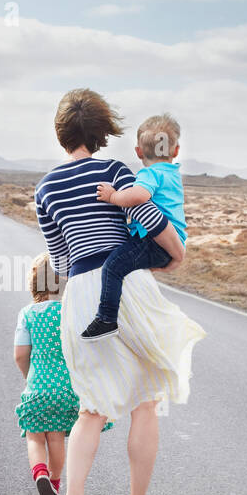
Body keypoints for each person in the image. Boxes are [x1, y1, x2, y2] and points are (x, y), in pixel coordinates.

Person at [35, 89, 205, 495]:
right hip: (128, 283)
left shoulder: (45, 188)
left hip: (82, 292)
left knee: (91, 406)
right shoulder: (115, 170)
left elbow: (59, 262)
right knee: (145, 402)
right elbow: (147, 216)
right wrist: (175, 254)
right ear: (101, 130)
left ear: (61, 132)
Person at [14, 253, 108, 495]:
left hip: (38, 387)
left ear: (35, 282)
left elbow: (20, 354)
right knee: (56, 436)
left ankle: (40, 473)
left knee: (34, 436)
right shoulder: (73, 312)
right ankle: (55, 482)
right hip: (67, 389)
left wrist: (28, 377)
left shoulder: (28, 314)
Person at [82, 113, 187, 339]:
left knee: (113, 267)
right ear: (176, 151)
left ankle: (106, 319)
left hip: (155, 242)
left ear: (138, 152)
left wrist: (113, 197)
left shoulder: (150, 173)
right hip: (172, 241)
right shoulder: (172, 174)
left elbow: (139, 196)